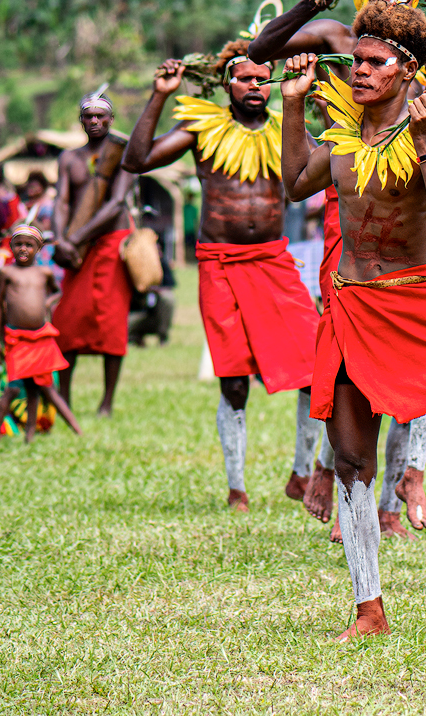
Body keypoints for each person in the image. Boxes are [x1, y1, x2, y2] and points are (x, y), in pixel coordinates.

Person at [279, 0, 426, 641]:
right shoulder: (341, 137)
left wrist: (424, 143)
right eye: (355, 60)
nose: (358, 71)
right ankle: (368, 607)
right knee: (353, 459)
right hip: (354, 304)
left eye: (375, 62)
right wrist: (294, 103)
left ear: (407, 70)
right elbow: (296, 182)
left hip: (421, 304)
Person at [249, 0, 426, 535]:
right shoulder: (338, 39)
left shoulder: (422, 38)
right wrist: (310, 5)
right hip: (345, 204)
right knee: (344, 351)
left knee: (421, 349)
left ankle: (392, 498)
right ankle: (336, 467)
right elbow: (261, 46)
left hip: (411, 202)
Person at [122, 34, 322, 513]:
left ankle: (302, 472)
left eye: (262, 79)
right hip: (219, 264)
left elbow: (325, 171)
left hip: (275, 262)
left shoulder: (286, 129)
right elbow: (136, 160)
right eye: (245, 78)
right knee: (233, 380)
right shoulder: (202, 128)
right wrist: (160, 95)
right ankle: (237, 488)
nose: (255, 85)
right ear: (227, 83)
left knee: (315, 373)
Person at [51, 89, 136, 417]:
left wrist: (76, 238)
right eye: (89, 116)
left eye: (101, 116)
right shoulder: (69, 159)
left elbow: (116, 202)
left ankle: (106, 402)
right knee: (67, 319)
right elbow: (61, 200)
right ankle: (65, 397)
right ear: (81, 120)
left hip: (111, 242)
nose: (95, 121)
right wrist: (62, 239)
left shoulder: (123, 153)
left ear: (111, 119)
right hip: (76, 247)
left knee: (111, 322)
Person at [0, 226, 82, 443]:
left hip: (39, 337)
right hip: (16, 338)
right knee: (11, 388)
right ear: (11, 246)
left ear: (38, 249)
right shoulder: (6, 273)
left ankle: (35, 434)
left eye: (29, 245)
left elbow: (57, 291)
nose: (23, 249)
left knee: (38, 388)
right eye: (18, 244)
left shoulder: (44, 273)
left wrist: (48, 303)